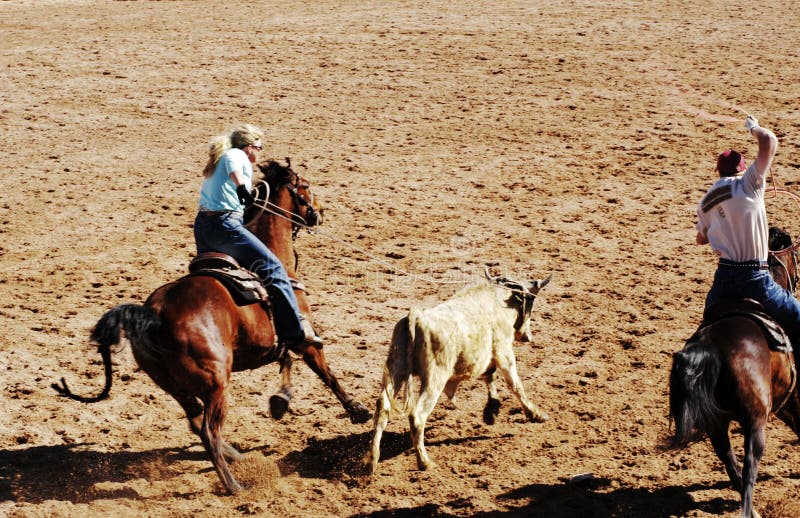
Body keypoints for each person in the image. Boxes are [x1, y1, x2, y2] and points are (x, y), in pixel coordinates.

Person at [193, 123, 322, 348]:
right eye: (259, 148)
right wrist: (242, 188)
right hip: (225, 226)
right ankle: (294, 332)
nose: (259, 153)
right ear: (249, 147)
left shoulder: (217, 163)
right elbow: (235, 167)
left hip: (203, 228)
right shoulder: (235, 154)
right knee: (274, 269)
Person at [695, 115, 800, 345]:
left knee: (706, 325)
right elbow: (769, 140)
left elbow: (700, 239)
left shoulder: (706, 201)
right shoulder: (749, 183)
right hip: (755, 278)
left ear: (718, 172)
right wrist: (753, 127)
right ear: (742, 170)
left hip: (723, 280)